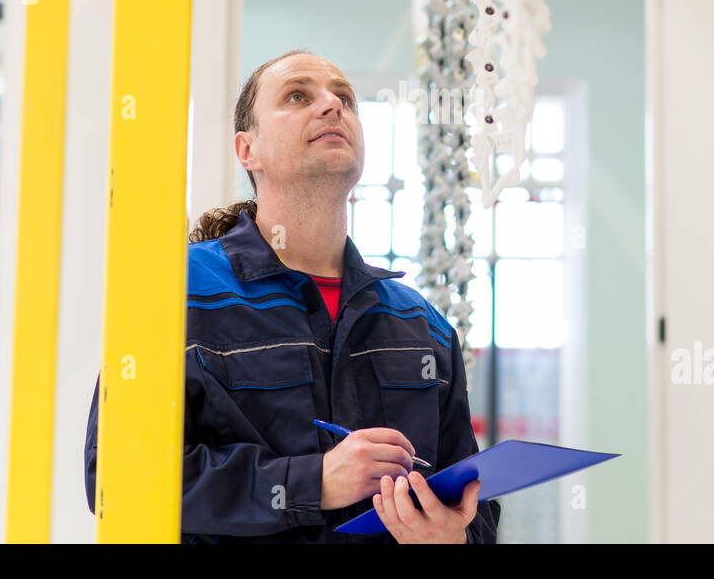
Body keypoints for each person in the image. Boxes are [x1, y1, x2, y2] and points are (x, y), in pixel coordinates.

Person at [84, 48, 500, 543]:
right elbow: (119, 475)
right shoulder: (177, 294)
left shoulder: (421, 325)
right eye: (298, 96)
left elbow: (476, 506)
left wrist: (453, 538)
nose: (332, 105)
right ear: (247, 150)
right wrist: (314, 483)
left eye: (344, 96)